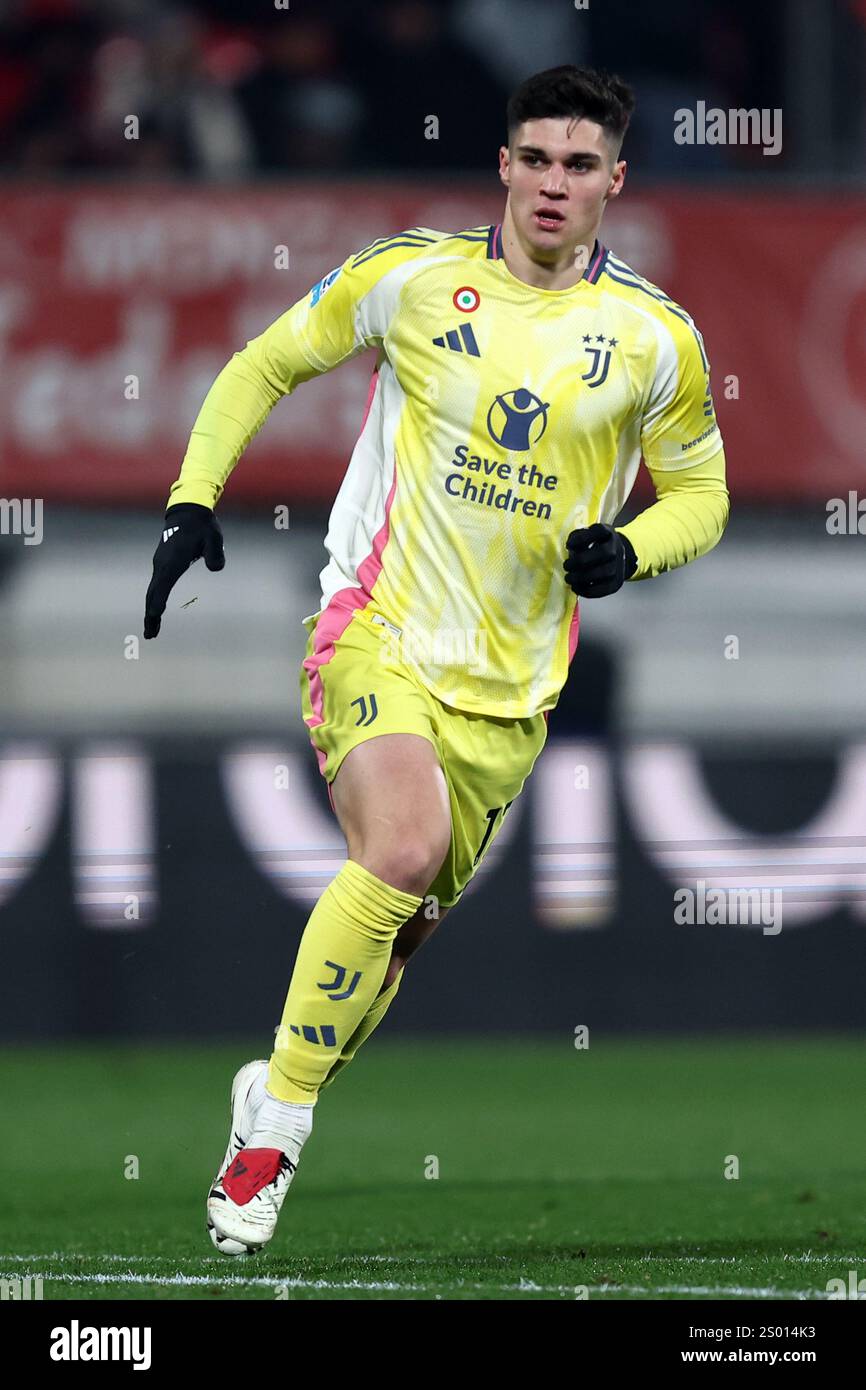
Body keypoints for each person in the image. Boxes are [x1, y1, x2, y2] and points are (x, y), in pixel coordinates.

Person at [143, 65, 730, 1257]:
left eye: (578, 165)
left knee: (393, 930)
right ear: (502, 167)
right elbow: (266, 361)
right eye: (535, 159)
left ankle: (276, 1083)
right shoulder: (412, 277)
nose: (552, 184)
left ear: (614, 181)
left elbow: (703, 495)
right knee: (398, 848)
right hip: (377, 630)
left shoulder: (653, 338)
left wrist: (631, 547)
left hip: (510, 692)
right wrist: (192, 497)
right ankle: (274, 1141)